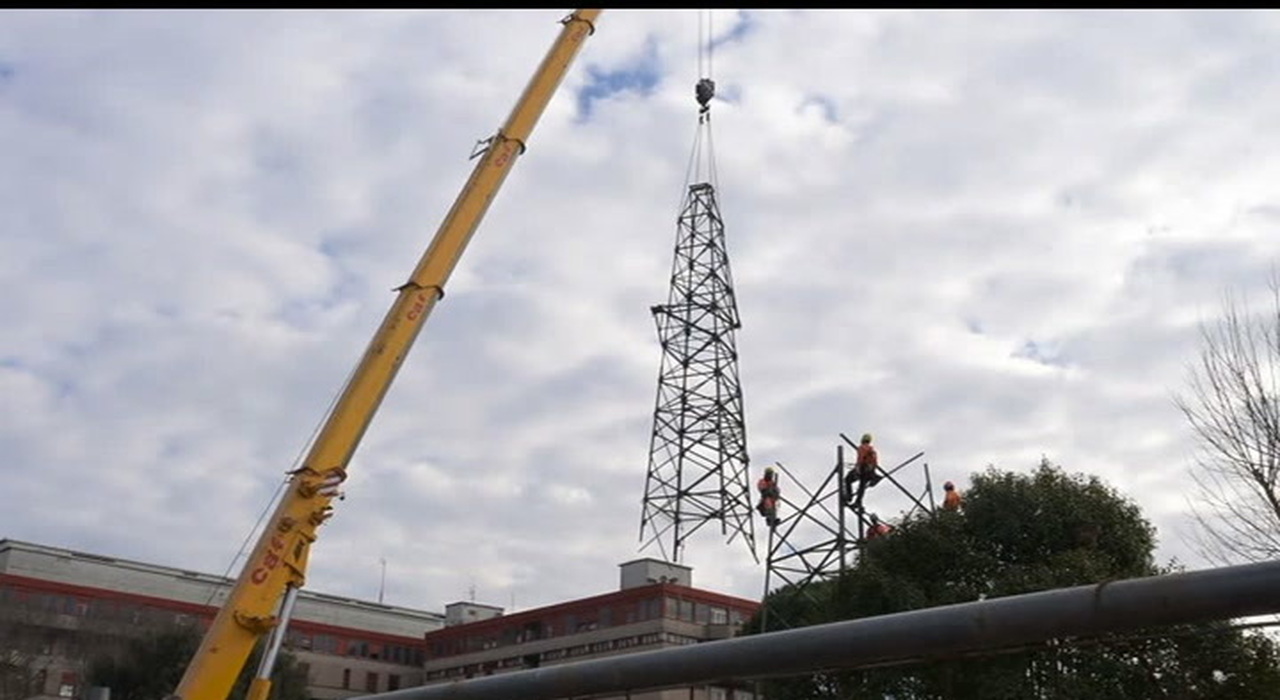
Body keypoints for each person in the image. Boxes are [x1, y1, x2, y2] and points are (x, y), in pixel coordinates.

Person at [843, 432, 882, 506]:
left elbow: (860, 458)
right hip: (870, 470)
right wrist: (872, 470)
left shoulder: (862, 447)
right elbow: (875, 462)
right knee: (862, 486)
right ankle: (858, 502)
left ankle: (849, 496)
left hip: (863, 468)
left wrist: (858, 468)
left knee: (848, 479)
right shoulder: (872, 450)